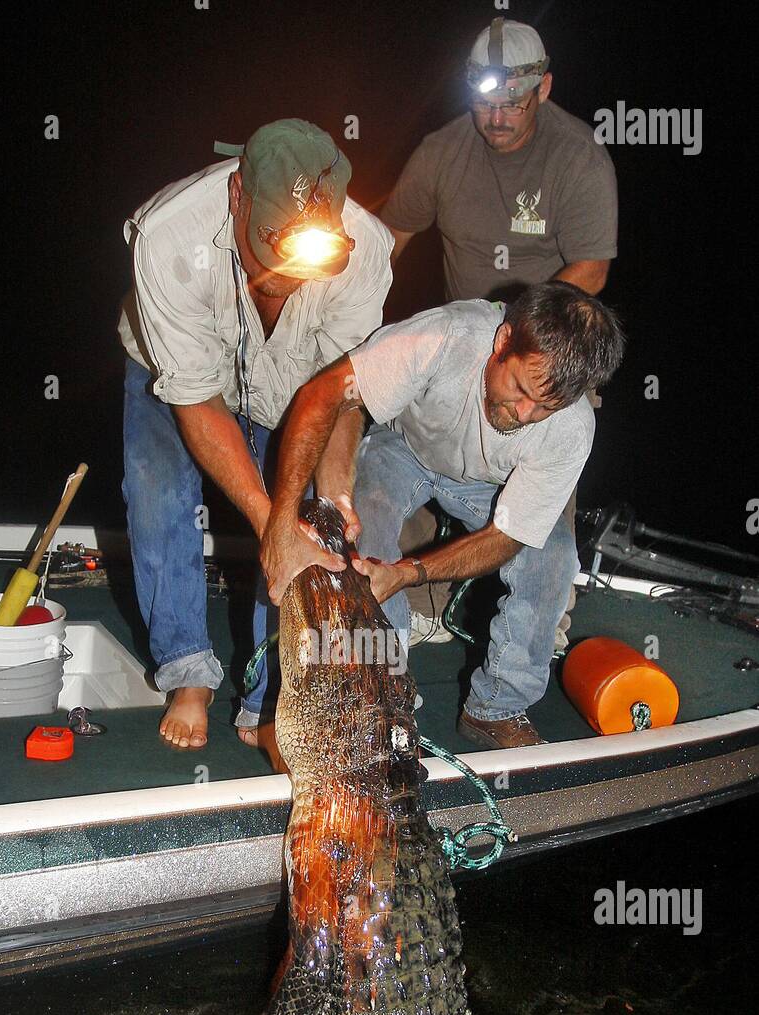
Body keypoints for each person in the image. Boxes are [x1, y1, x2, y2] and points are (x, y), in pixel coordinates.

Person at [118, 119, 393, 754]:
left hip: (289, 381)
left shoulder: (367, 251)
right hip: (174, 370)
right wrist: (268, 520)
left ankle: (269, 700)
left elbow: (340, 395)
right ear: (239, 194)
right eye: (274, 251)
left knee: (307, 526)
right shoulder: (165, 237)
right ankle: (188, 673)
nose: (288, 279)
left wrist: (337, 495)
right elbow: (196, 402)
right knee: (158, 489)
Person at [260, 283, 625, 749]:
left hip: (488, 484)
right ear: (502, 341)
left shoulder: (571, 428)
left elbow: (508, 536)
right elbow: (327, 394)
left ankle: (498, 706)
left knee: (552, 557)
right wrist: (287, 517)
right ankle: (387, 696)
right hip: (404, 448)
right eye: (520, 388)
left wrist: (409, 573)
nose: (525, 413)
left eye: (546, 406)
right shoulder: (445, 335)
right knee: (362, 530)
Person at [379, 17, 618, 647]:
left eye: (513, 102)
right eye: (484, 103)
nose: (499, 118)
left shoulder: (578, 156)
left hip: (545, 351)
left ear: (542, 89)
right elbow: (386, 243)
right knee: (394, 445)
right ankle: (413, 603)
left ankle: (540, 619)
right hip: (464, 346)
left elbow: (591, 269)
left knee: (542, 503)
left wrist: (522, 333)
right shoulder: (439, 152)